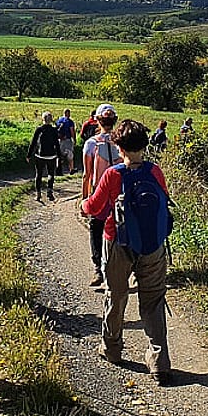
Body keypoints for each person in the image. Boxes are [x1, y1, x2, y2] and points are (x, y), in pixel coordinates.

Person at [81, 118, 173, 385]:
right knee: (153, 300)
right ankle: (160, 360)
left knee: (116, 295)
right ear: (144, 145)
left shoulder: (114, 174)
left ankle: (112, 349)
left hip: (118, 242)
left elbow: (96, 208)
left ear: (118, 145)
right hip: (152, 244)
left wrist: (83, 205)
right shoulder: (155, 172)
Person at [80, 103, 121, 288]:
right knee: (119, 231)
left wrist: (85, 199)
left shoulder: (91, 144)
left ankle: (98, 268)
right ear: (115, 121)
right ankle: (119, 268)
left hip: (99, 194)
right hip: (120, 195)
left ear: (96, 120)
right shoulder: (122, 141)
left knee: (96, 230)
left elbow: (87, 175)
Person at [27, 110, 60, 202]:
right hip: (51, 156)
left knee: (39, 175)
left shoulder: (39, 129)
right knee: (51, 174)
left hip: (40, 156)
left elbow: (33, 143)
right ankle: (49, 190)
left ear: (42, 119)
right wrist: (59, 156)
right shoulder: (54, 130)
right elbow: (57, 144)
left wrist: (29, 155)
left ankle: (38, 194)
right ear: (51, 120)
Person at [55, 108, 76, 174]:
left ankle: (58, 169)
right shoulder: (70, 122)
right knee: (70, 155)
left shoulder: (59, 120)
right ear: (68, 113)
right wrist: (74, 139)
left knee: (59, 155)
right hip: (67, 140)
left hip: (60, 140)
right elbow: (72, 131)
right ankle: (71, 169)